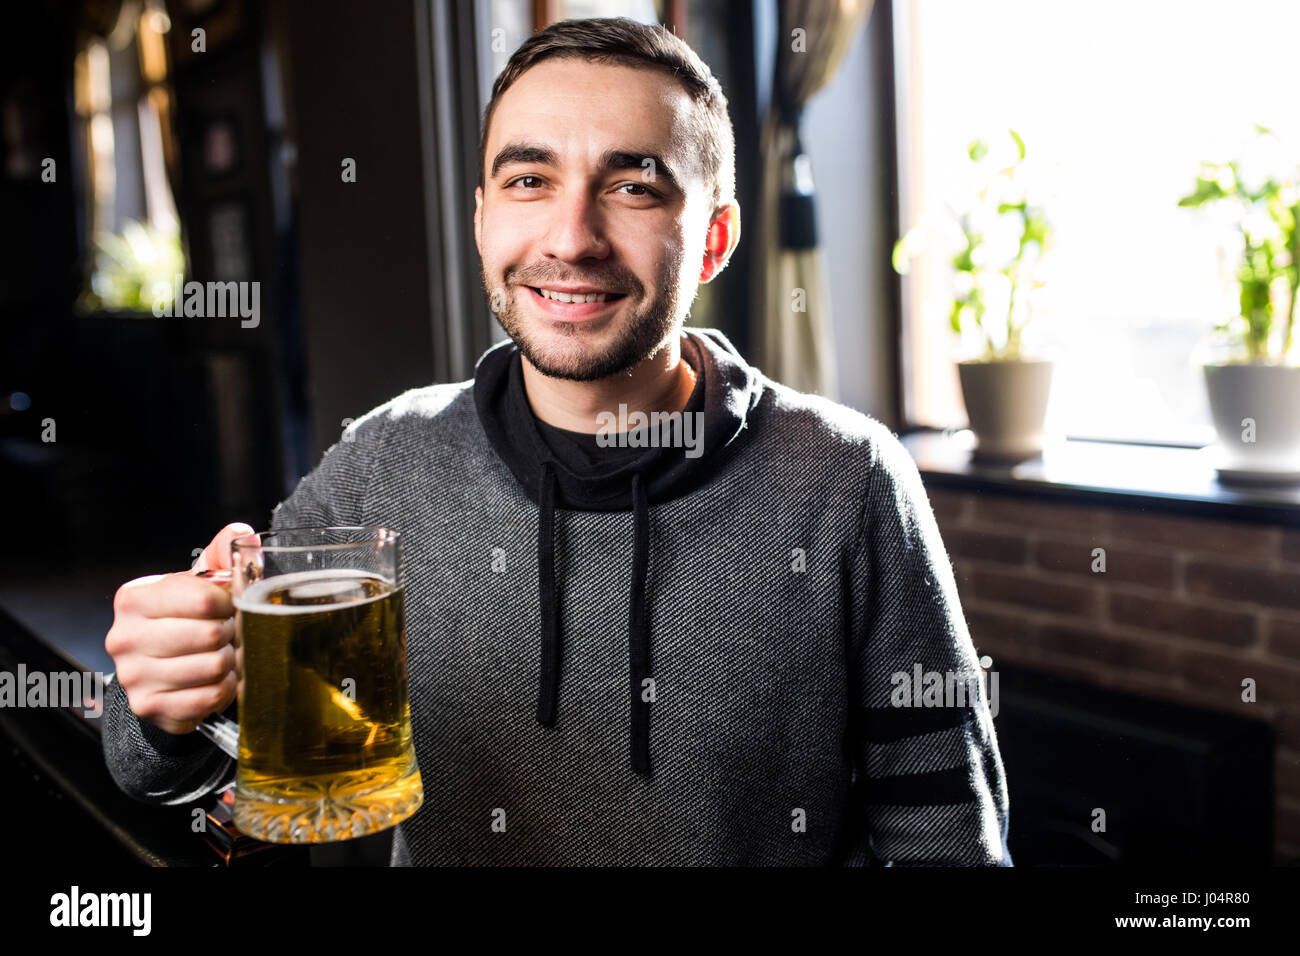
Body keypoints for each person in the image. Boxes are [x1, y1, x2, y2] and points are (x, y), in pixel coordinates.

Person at [102, 16, 1011, 866]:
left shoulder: (848, 479)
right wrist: (166, 700)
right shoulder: (384, 460)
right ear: (482, 217)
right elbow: (169, 770)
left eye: (632, 186)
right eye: (529, 180)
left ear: (716, 239)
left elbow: (948, 837)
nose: (571, 239)